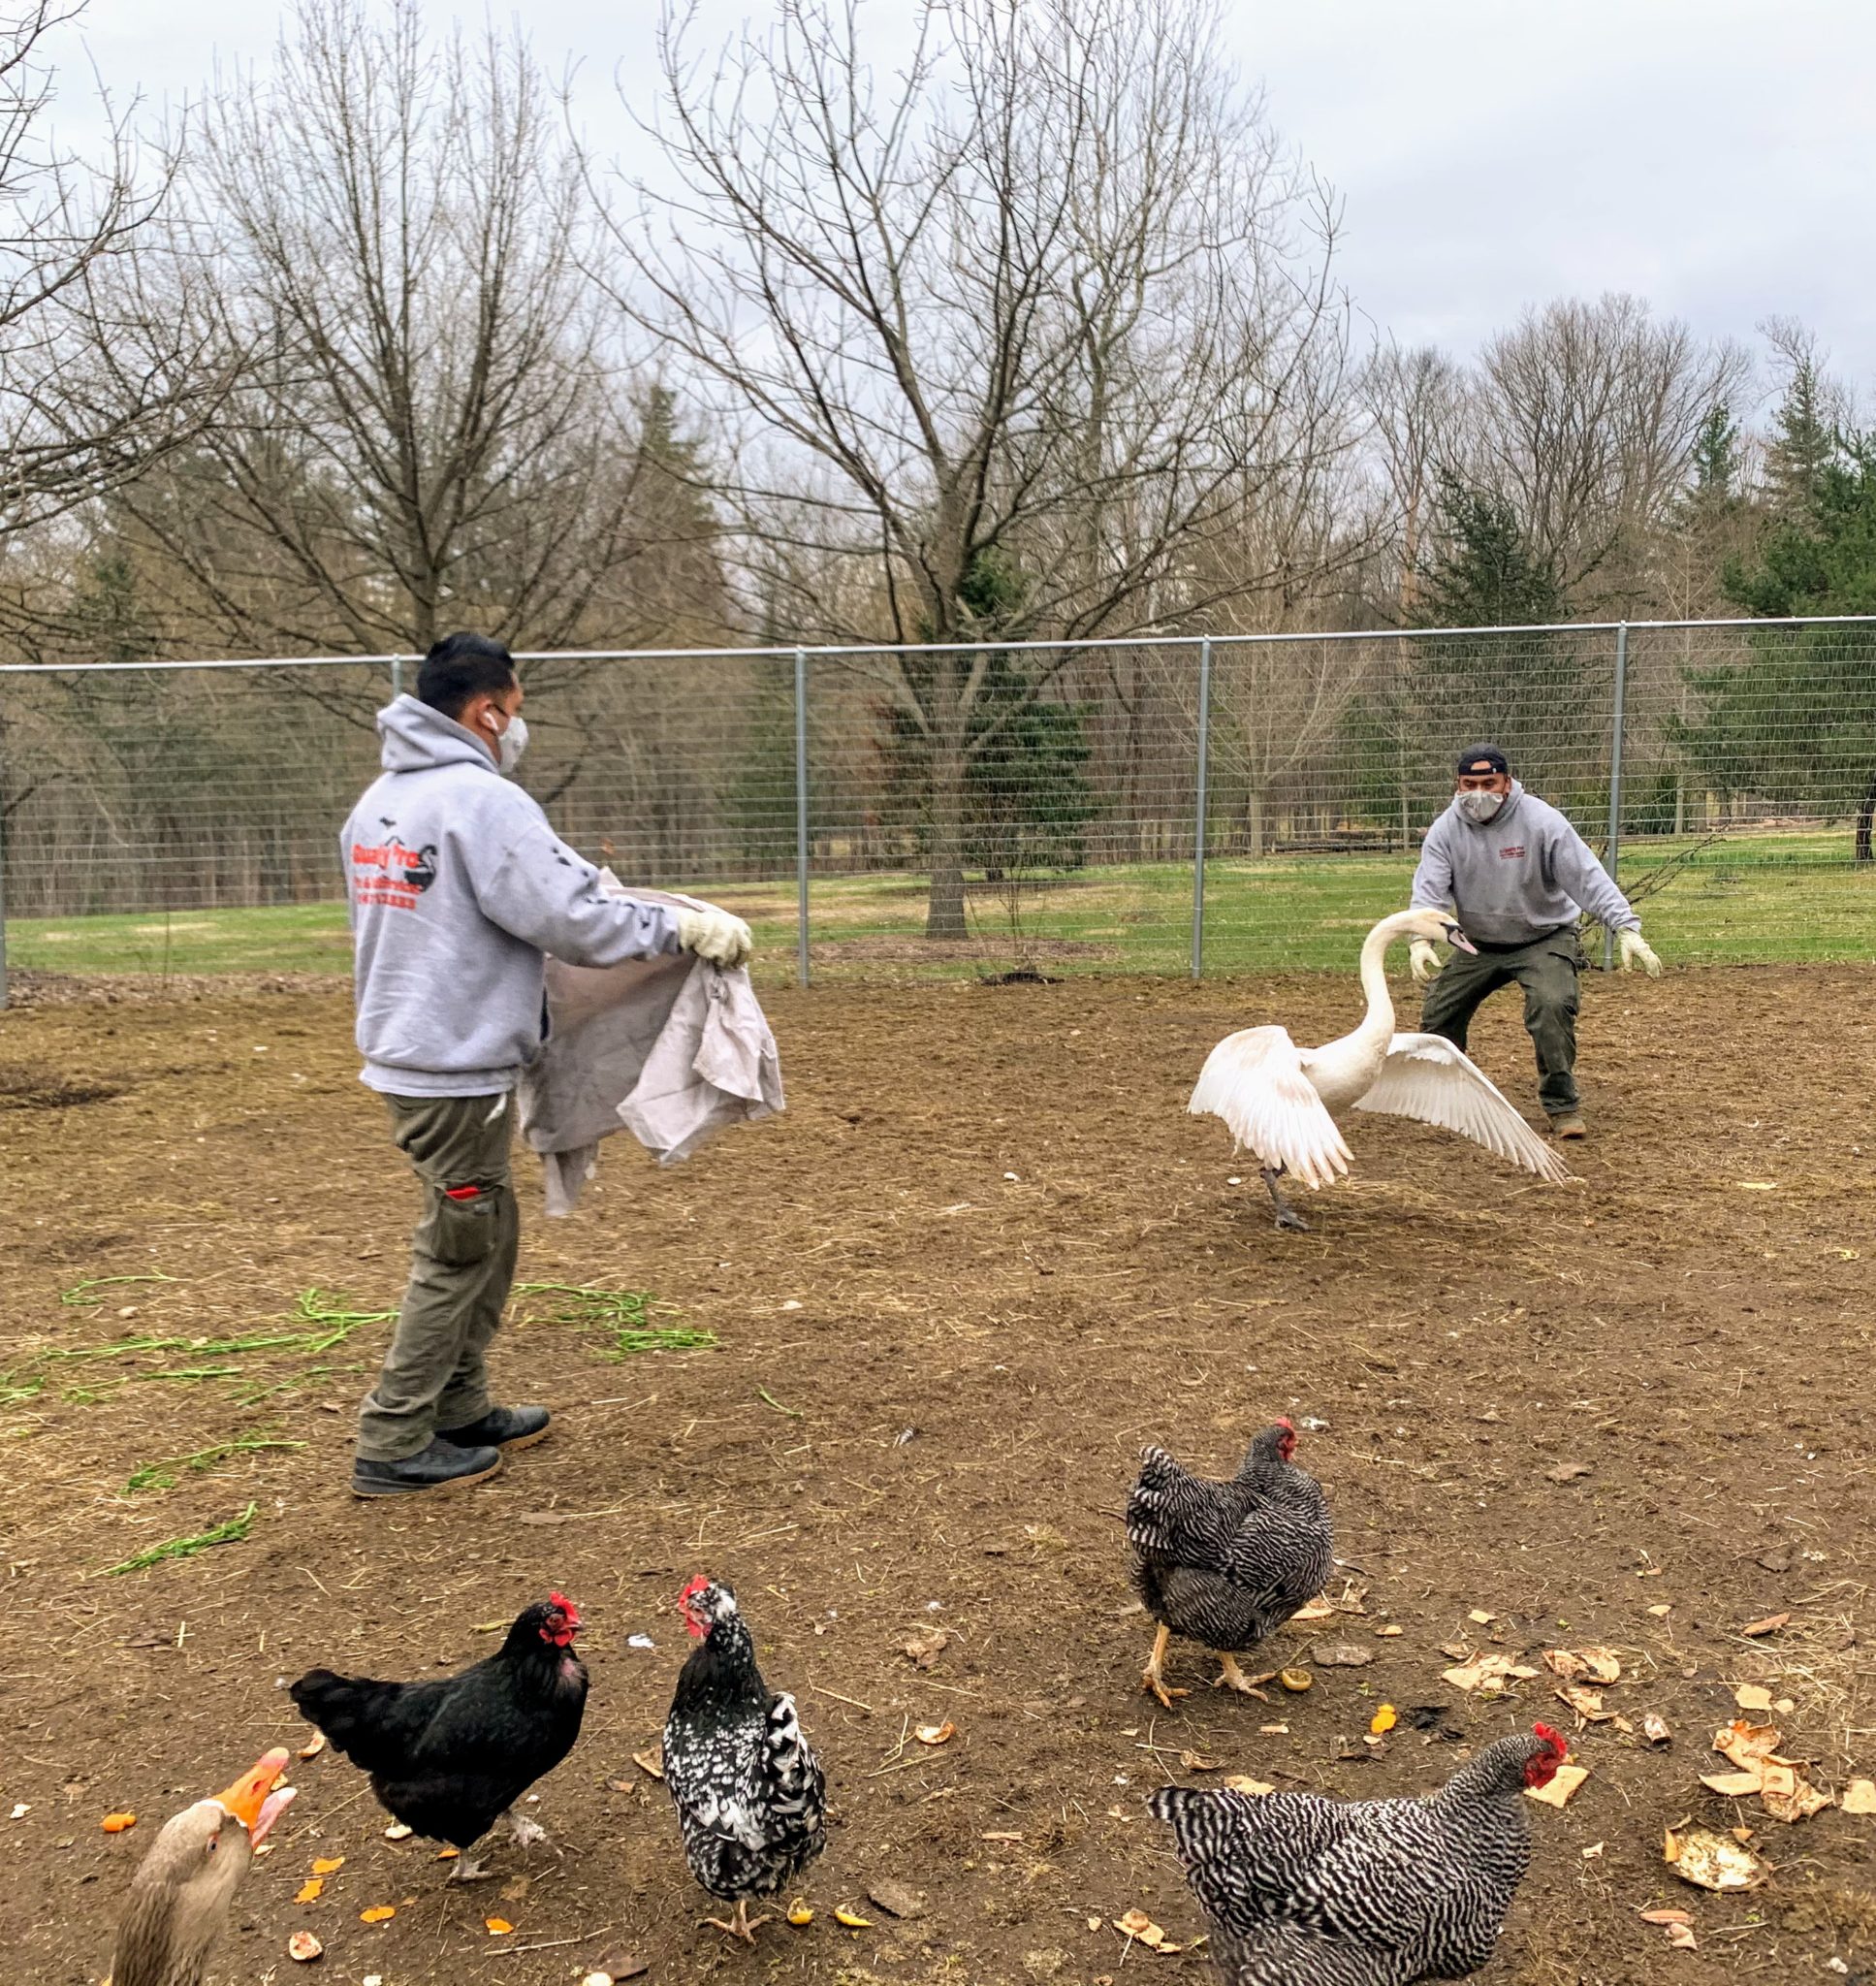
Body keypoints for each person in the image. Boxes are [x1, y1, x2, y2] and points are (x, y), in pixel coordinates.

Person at [340, 631, 752, 1498]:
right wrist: (677, 928)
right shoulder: (480, 802)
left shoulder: (381, 801)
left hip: (418, 1057)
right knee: (457, 1250)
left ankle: (458, 1405)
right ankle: (393, 1440)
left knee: (486, 1234)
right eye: (516, 711)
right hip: (450, 1069)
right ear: (487, 709)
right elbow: (569, 916)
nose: (517, 729)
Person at [1408, 743, 1660, 1140]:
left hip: (1543, 936)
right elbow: (1430, 890)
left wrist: (1625, 927)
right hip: (1478, 942)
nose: (1478, 793)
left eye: (1488, 782)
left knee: (1551, 1005)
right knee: (1438, 1015)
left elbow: (1586, 878)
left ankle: (1562, 1105)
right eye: (1468, 784)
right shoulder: (1445, 831)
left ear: (1507, 782)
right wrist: (1421, 940)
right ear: (1456, 785)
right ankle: (1441, 1096)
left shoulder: (1543, 822)